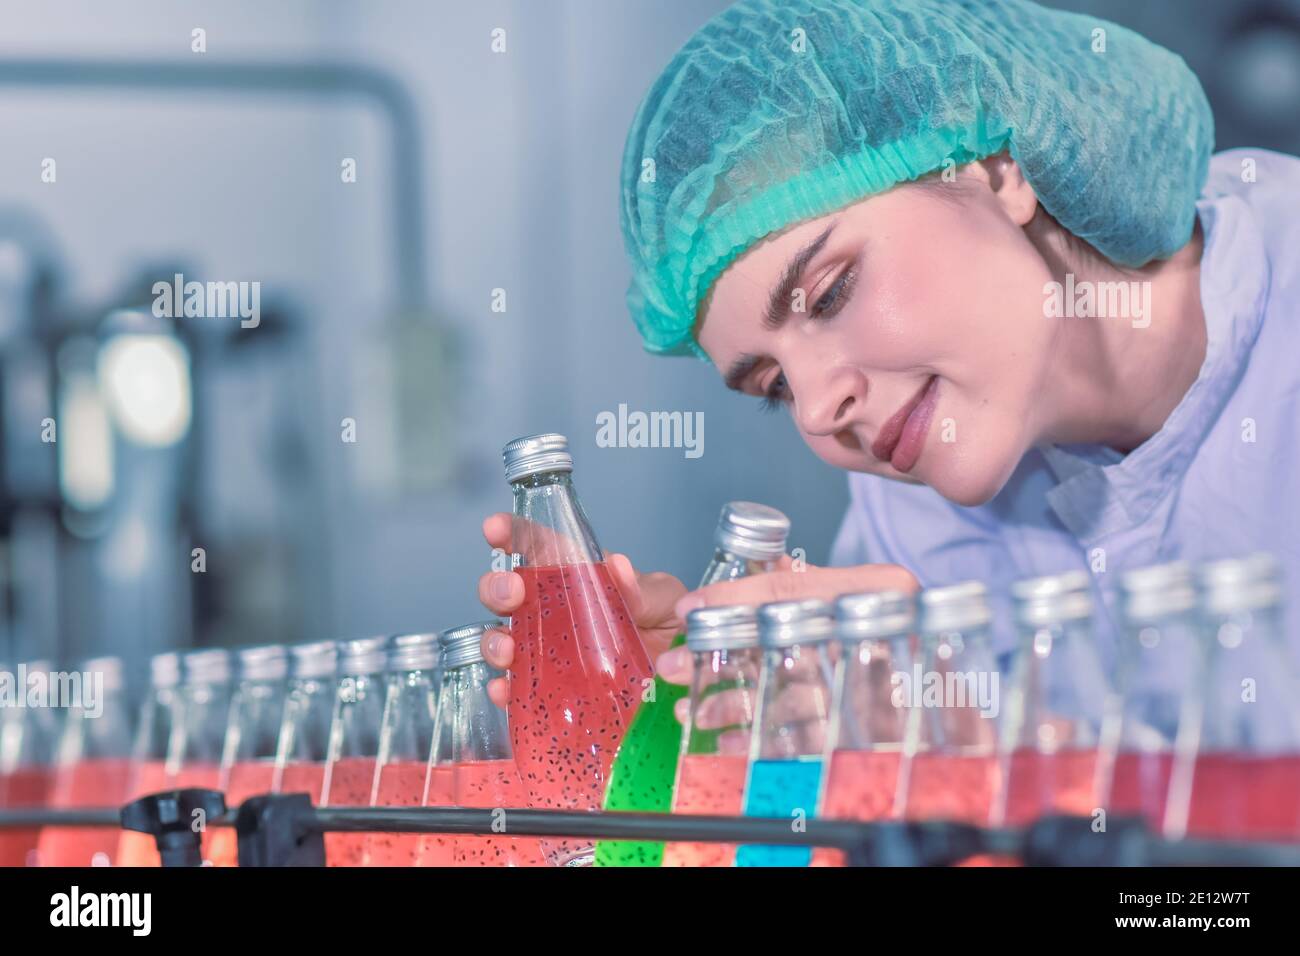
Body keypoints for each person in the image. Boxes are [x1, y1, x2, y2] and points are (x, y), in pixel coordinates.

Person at [479, 0, 1300, 701]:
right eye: (772, 387)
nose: (817, 410)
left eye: (830, 293)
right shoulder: (912, 499)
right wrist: (722, 693)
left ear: (997, 169)